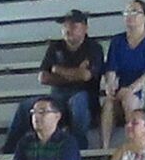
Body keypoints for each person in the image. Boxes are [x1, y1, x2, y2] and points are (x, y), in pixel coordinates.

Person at [29, 10, 105, 151]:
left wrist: (57, 69)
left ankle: (78, 149)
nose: (68, 30)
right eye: (65, 26)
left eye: (73, 26)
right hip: (58, 97)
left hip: (86, 98)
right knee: (28, 107)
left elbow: (86, 76)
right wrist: (75, 74)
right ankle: (12, 148)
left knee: (78, 102)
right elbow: (43, 77)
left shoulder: (94, 48)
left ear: (85, 28)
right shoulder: (55, 47)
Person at [10, 97, 83, 160]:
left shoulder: (67, 142)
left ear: (57, 116)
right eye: (33, 112)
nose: (36, 116)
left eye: (42, 112)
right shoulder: (25, 142)